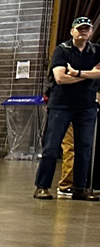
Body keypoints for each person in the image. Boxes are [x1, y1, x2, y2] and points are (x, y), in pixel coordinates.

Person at [35, 16, 100, 201]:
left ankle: (80, 188)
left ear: (91, 32)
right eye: (79, 29)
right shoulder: (62, 51)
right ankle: (42, 187)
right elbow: (60, 78)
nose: (83, 32)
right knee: (52, 146)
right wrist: (90, 75)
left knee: (84, 147)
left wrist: (77, 73)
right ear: (72, 31)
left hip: (86, 106)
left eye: (87, 29)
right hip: (61, 105)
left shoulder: (96, 50)